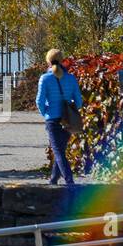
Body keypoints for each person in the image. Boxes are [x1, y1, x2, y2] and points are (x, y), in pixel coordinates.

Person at [35, 48, 82, 185]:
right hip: (67, 119)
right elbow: (78, 101)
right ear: (62, 60)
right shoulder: (71, 78)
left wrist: (46, 113)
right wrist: (71, 111)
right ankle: (54, 180)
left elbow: (39, 101)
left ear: (48, 61)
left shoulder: (45, 78)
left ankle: (69, 181)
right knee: (60, 150)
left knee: (58, 151)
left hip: (52, 119)